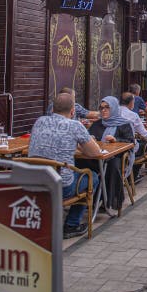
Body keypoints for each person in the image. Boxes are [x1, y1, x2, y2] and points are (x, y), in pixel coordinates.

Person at [29, 93, 101, 239]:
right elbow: (95, 153)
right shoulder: (75, 125)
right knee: (91, 176)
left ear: (52, 108)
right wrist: (79, 146)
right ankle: (72, 225)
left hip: (34, 181)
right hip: (61, 186)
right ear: (73, 111)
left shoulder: (40, 121)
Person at [86, 96, 135, 210]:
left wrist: (116, 140)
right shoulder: (98, 123)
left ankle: (110, 201)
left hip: (116, 157)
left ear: (114, 108)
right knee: (81, 162)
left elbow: (131, 142)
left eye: (107, 107)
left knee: (112, 166)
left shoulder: (124, 124)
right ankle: (86, 199)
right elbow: (88, 137)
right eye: (101, 108)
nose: (103, 110)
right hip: (97, 156)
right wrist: (91, 138)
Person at [119, 92, 147, 182]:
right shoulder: (133, 115)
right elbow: (144, 134)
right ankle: (133, 175)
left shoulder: (114, 112)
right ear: (131, 102)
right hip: (127, 148)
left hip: (117, 146)